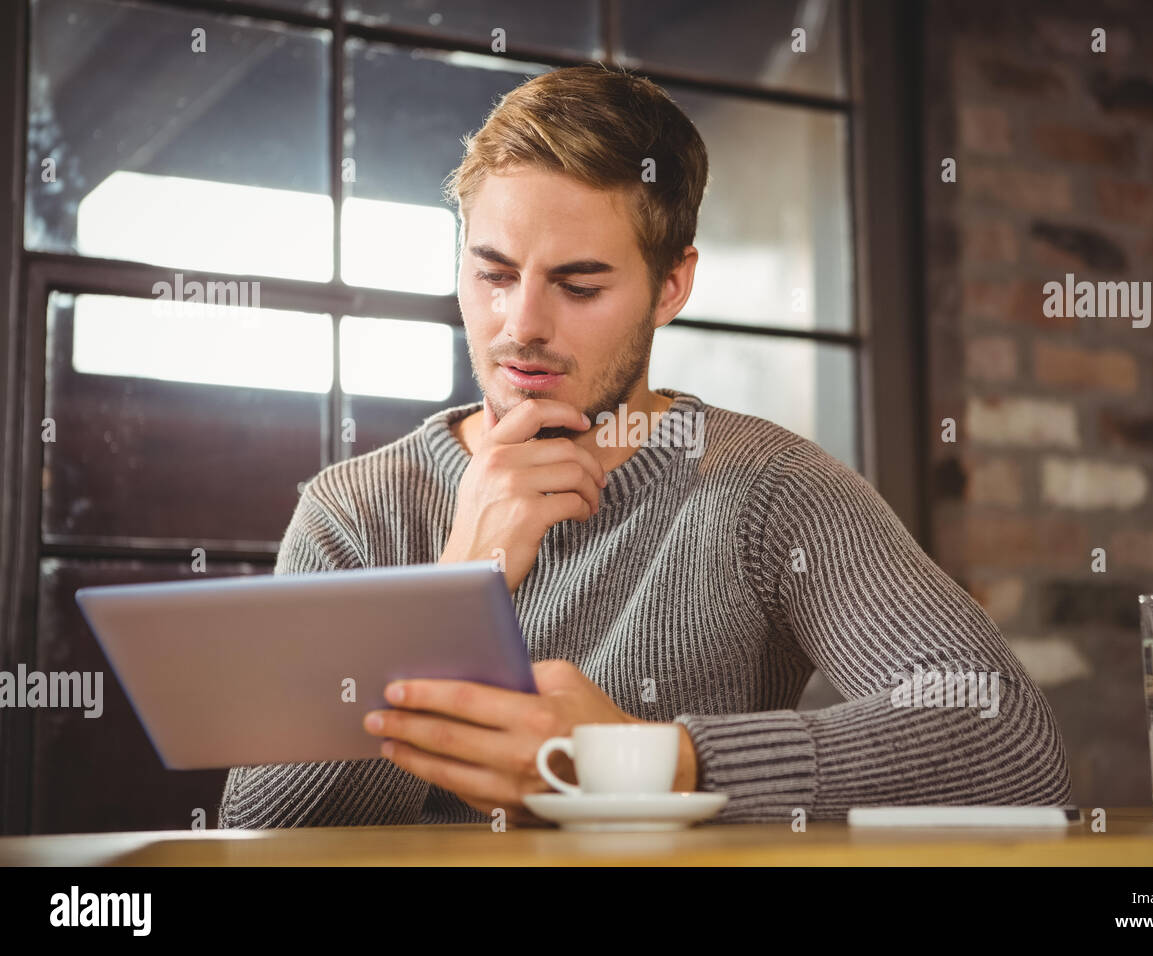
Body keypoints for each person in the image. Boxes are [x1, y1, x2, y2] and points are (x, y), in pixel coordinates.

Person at [218, 63, 1071, 828]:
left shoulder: (767, 488)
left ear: (671, 286)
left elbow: (1009, 737)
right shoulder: (355, 509)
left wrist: (648, 764)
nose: (522, 327)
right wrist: (454, 588)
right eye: (494, 274)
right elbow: (259, 835)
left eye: (579, 284)